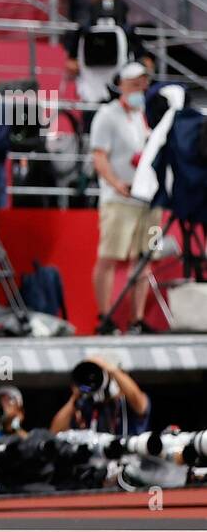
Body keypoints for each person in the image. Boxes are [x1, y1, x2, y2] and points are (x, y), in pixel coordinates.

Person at [90, 62, 162, 333]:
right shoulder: (107, 115)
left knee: (144, 260)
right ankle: (104, 318)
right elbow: (99, 157)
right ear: (120, 85)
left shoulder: (148, 114)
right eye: (133, 84)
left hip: (148, 200)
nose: (139, 89)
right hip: (118, 200)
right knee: (109, 257)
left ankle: (137, 320)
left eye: (143, 84)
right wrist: (117, 184)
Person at [50, 356, 150, 437]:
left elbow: (139, 403)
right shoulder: (87, 404)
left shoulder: (128, 403)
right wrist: (76, 396)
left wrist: (111, 369)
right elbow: (55, 432)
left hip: (129, 458)